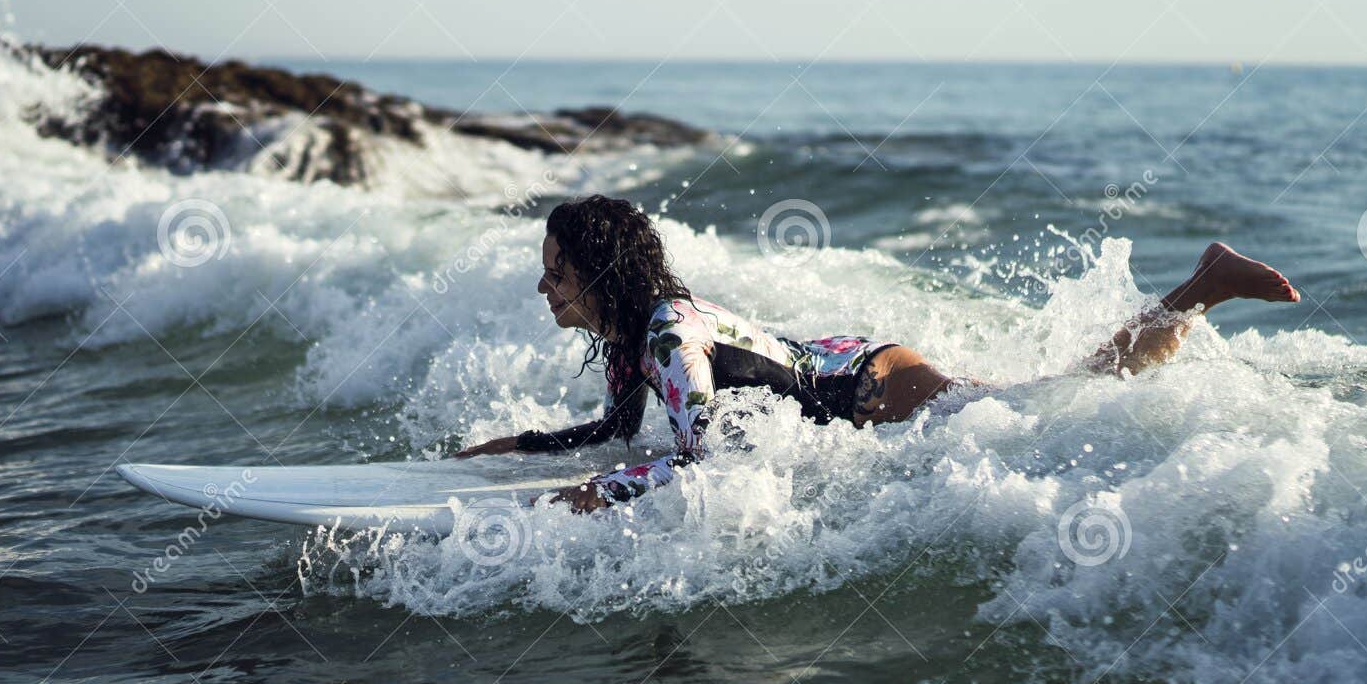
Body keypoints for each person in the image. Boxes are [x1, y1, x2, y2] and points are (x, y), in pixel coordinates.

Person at [455, 195, 1300, 512]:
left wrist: (604, 491)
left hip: (870, 385)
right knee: (1052, 390)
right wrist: (519, 446)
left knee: (1057, 398)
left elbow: (702, 459)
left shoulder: (669, 337)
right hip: (837, 367)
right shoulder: (626, 336)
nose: (544, 288)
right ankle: (1195, 286)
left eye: (557, 273)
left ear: (601, 275)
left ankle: (1204, 285)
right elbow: (617, 427)